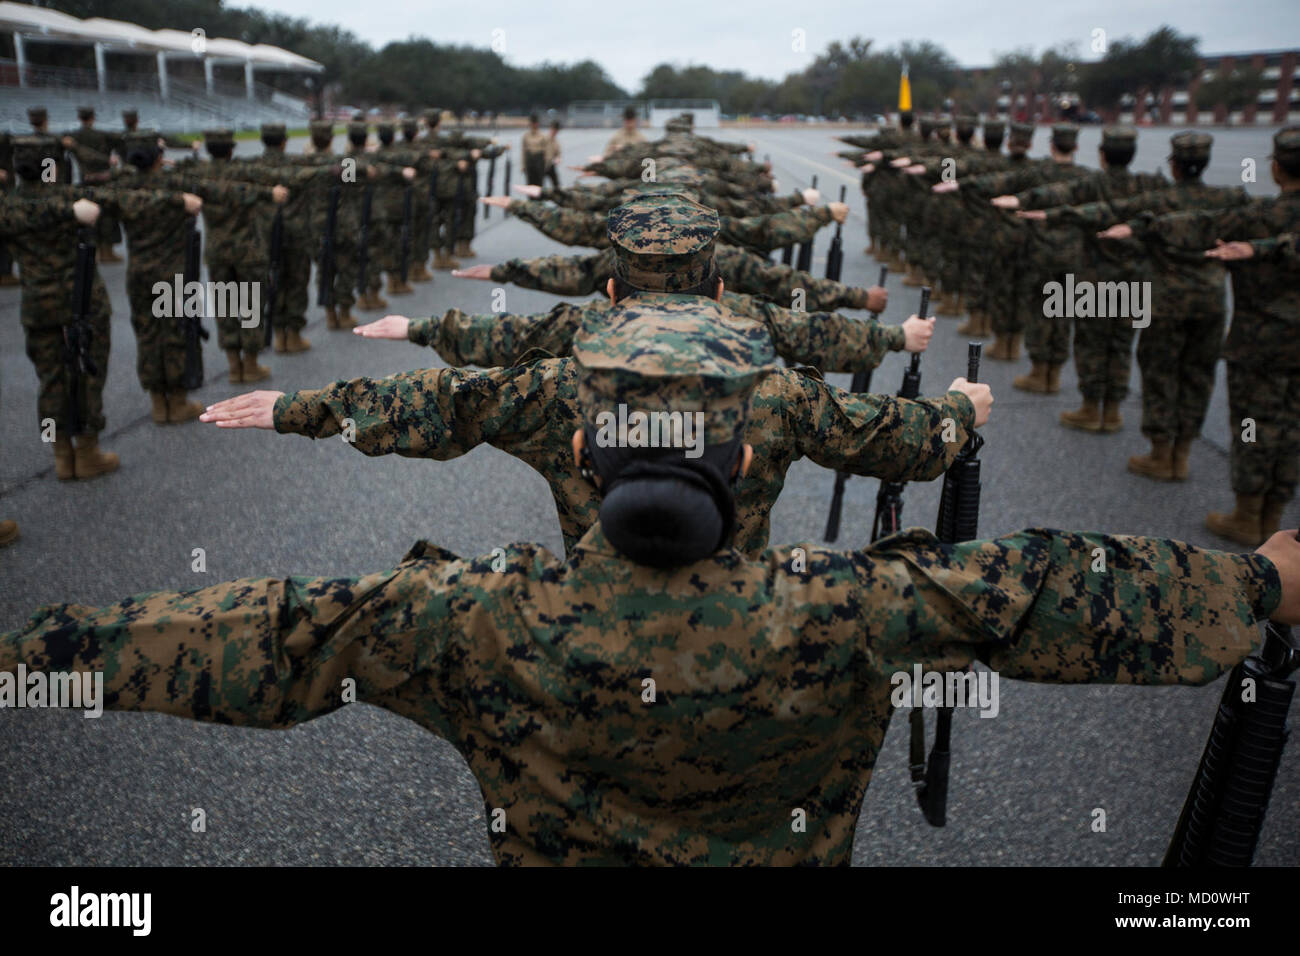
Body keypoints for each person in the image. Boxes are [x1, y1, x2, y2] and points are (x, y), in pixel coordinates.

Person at [5, 297, 1298, 866]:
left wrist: (33, 660)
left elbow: (257, 634)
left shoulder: (470, 624)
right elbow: (1052, 591)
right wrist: (1258, 587)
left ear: (580, 462)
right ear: (744, 472)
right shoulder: (853, 612)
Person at [522, 113, 547, 187]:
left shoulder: (542, 136)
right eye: (532, 123)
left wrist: (546, 165)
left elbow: (546, 152)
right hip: (529, 160)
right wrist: (523, 165)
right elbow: (523, 151)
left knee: (539, 183)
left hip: (539, 160)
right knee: (530, 183)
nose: (533, 125)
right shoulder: (526, 136)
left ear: (537, 124)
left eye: (535, 123)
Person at [544, 119, 562, 188]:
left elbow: (558, 154)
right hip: (542, 165)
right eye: (553, 129)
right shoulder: (543, 139)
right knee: (539, 184)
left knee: (556, 184)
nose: (554, 132)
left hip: (551, 165)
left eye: (556, 130)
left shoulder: (557, 142)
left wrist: (558, 159)